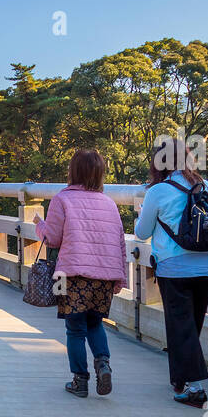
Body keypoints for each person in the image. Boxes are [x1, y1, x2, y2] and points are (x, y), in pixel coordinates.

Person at [134, 136, 208, 407]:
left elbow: (142, 233)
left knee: (181, 325)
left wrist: (141, 213)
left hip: (175, 267)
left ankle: (195, 387)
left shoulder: (158, 191)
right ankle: (181, 379)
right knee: (190, 325)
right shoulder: (205, 185)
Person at [32, 149, 127, 398]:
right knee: (95, 322)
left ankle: (80, 381)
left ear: (73, 171)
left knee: (75, 329)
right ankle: (103, 363)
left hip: (70, 275)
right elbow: (120, 243)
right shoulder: (109, 203)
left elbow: (52, 239)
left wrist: (39, 225)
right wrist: (120, 277)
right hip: (104, 276)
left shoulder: (62, 199)